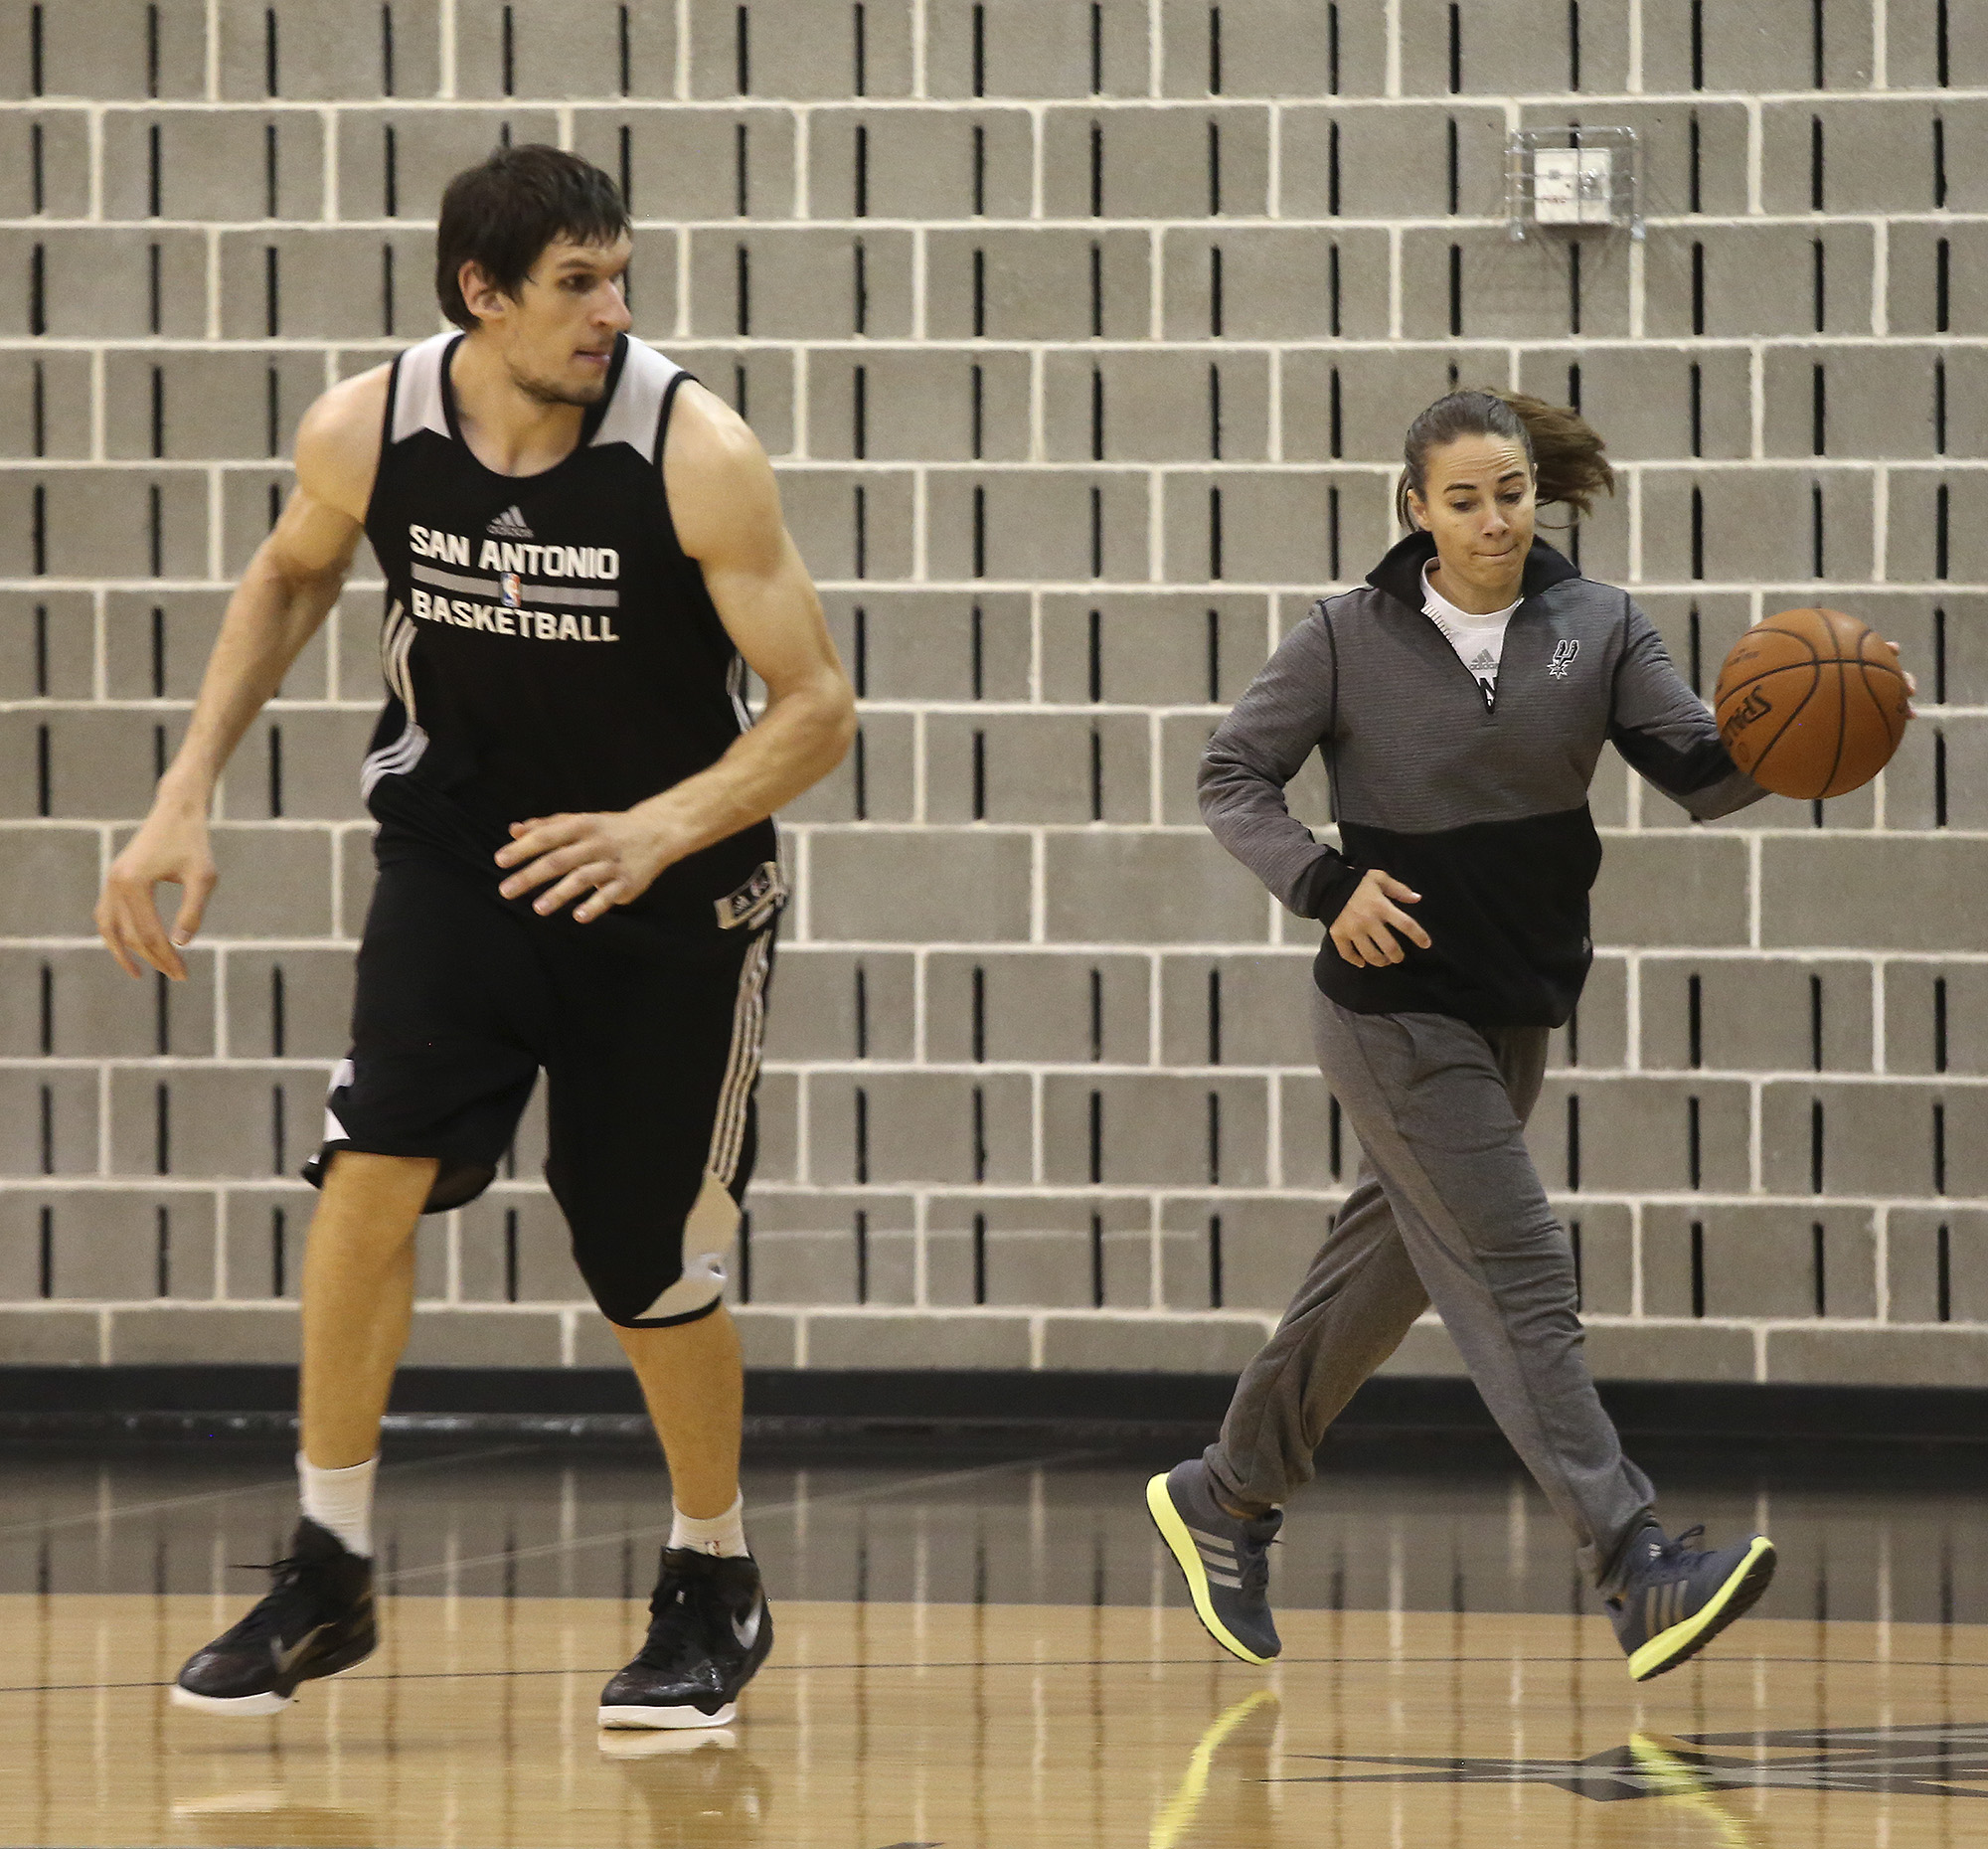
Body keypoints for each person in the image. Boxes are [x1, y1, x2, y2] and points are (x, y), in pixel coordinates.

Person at [94, 144, 855, 1729]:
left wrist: (659, 825)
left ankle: (713, 1572)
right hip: (465, 859)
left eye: (619, 278)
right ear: (480, 296)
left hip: (670, 894)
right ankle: (328, 1563)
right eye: (576, 284)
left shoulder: (692, 447)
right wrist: (183, 791)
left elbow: (818, 707)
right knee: (367, 1175)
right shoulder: (369, 426)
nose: (611, 312)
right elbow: (293, 570)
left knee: (641, 1255)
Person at [1148, 388, 1907, 1684]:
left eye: (1511, 492)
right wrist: (1324, 884)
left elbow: (1704, 770)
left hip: (1520, 1002)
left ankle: (1226, 1493)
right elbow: (1232, 774)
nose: (1495, 519)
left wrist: (1817, 732)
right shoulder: (1344, 637)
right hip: (1391, 1008)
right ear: (1417, 507)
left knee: (1379, 1281)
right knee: (1519, 1270)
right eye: (1465, 498)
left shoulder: (1599, 626)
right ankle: (1637, 1565)